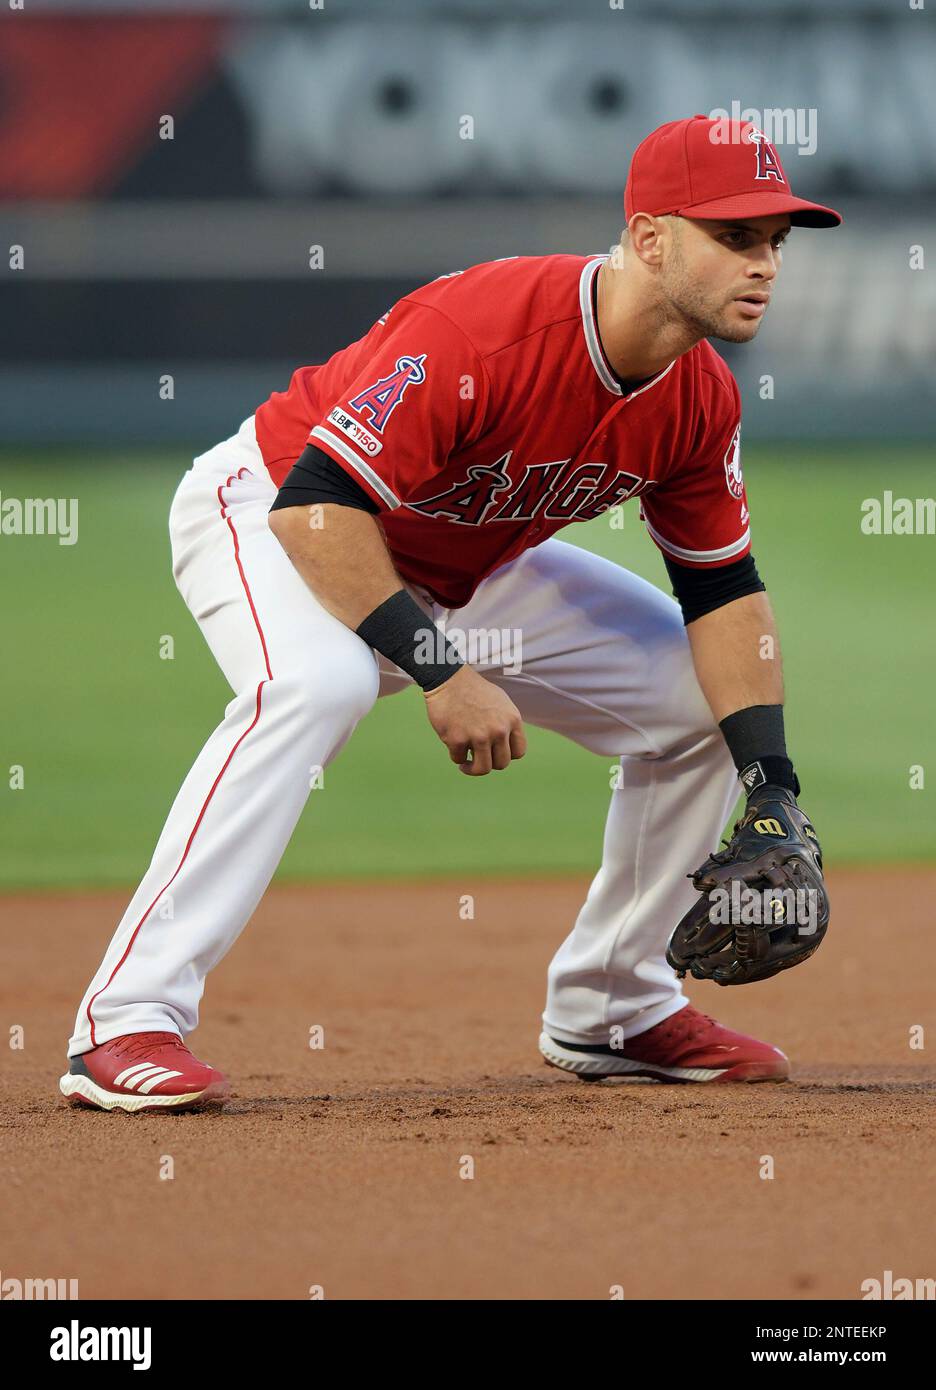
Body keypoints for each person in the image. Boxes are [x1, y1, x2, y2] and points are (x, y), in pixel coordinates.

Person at [60, 115, 840, 1112]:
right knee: (319, 681)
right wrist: (440, 669)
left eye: (775, 239)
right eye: (736, 236)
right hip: (273, 511)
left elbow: (725, 591)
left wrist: (771, 783)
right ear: (650, 240)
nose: (765, 262)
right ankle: (124, 1019)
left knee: (697, 697)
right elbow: (316, 503)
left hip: (462, 567)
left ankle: (614, 1002)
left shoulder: (698, 401)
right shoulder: (490, 332)